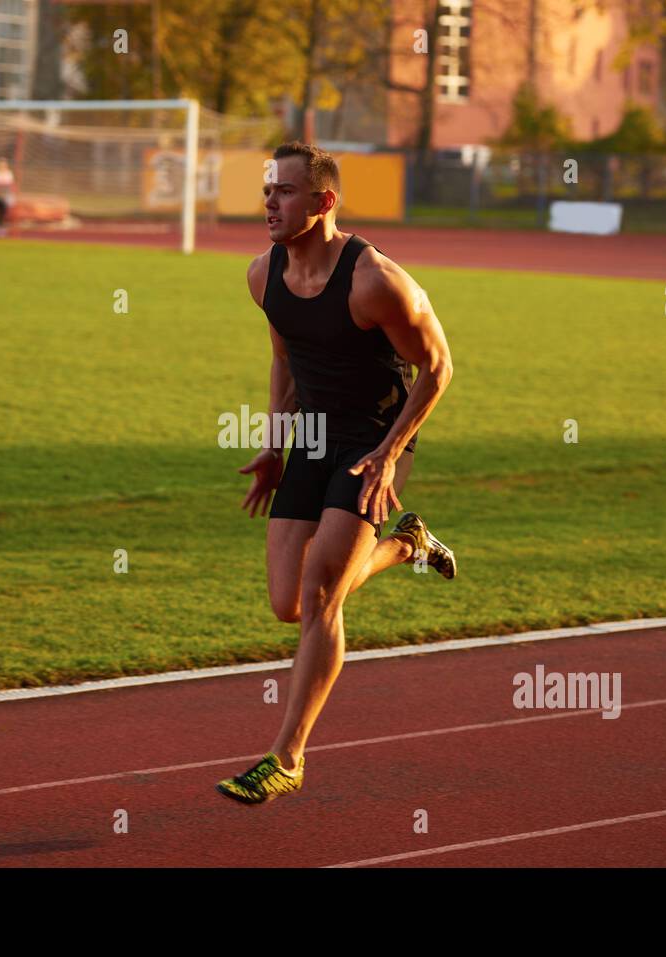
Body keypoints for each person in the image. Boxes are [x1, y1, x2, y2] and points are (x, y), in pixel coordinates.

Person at [216, 141, 456, 805]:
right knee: (289, 603)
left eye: (284, 192)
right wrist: (273, 445)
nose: (269, 202)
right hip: (314, 436)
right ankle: (407, 544)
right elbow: (286, 362)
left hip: (375, 440)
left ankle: (286, 755)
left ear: (323, 202)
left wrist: (389, 451)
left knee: (322, 593)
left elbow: (438, 368)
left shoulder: (375, 279)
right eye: (267, 190)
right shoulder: (262, 276)